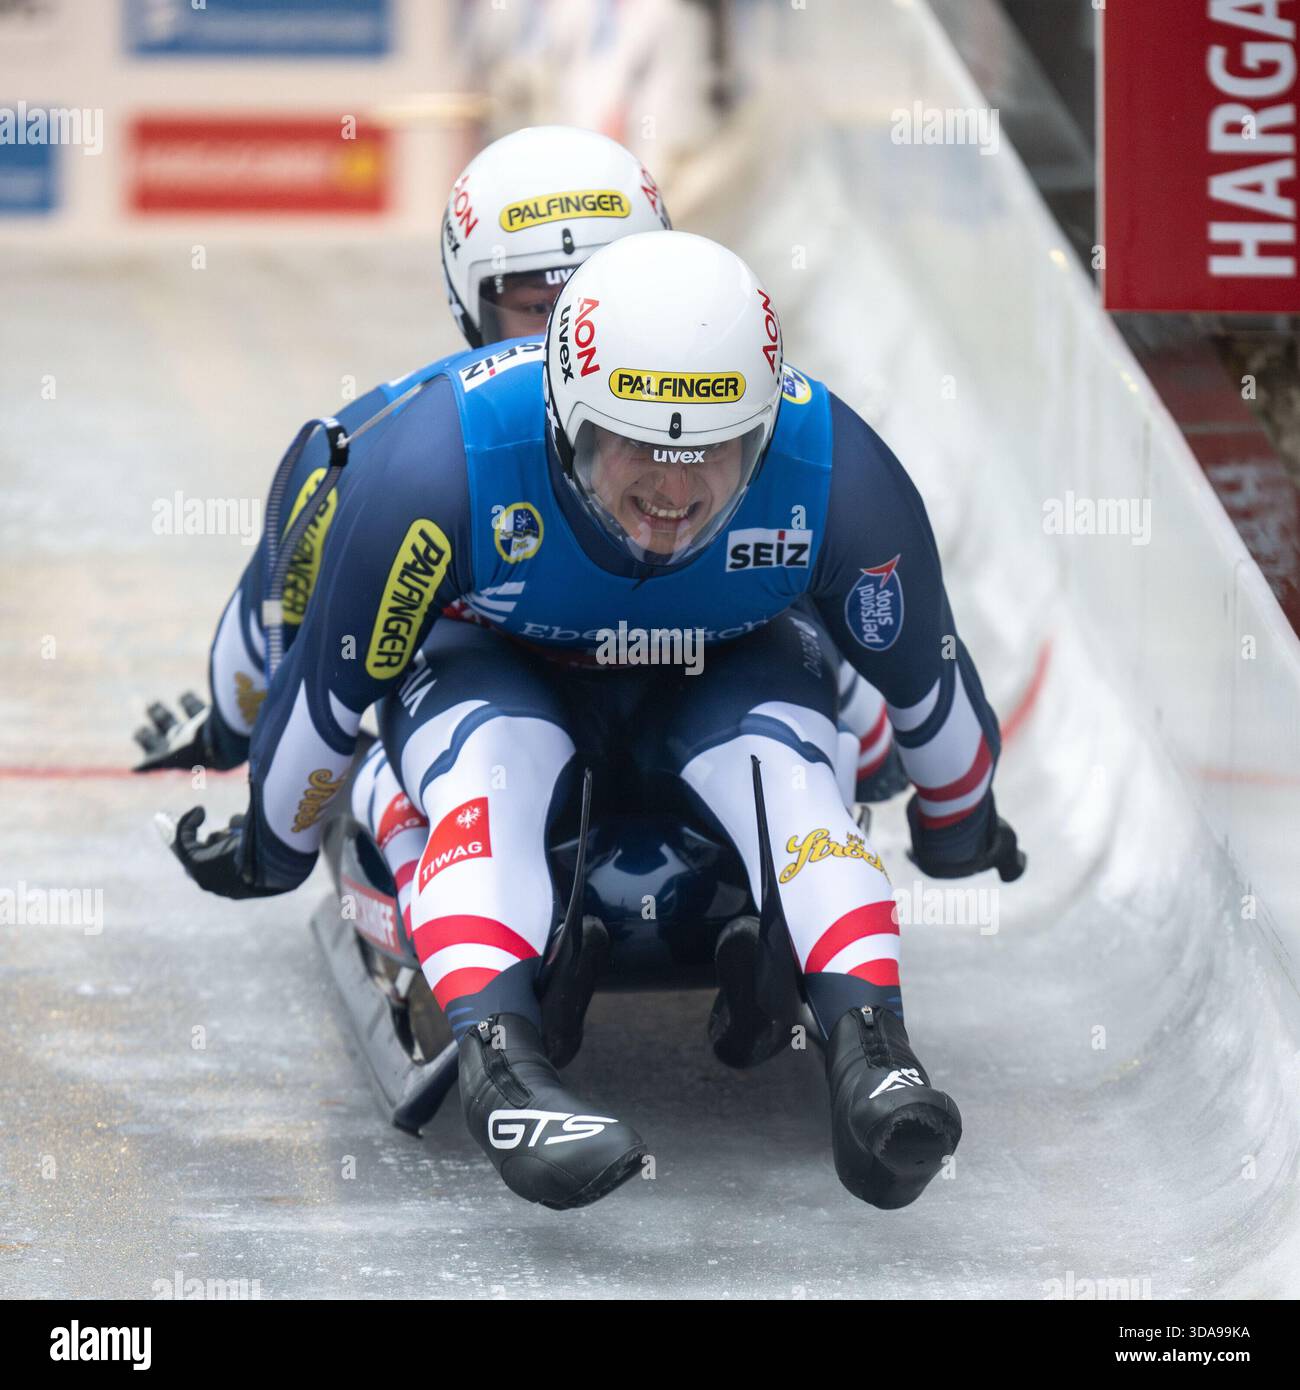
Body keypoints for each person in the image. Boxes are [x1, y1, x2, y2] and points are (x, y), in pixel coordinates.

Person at [156, 231, 1023, 1212]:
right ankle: (505, 1067)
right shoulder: (437, 470)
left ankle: (876, 1051)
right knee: (487, 765)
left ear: (766, 431)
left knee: (795, 772)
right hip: (498, 675)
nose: (674, 491)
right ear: (565, 421)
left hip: (725, 671)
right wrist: (274, 842)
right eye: (639, 448)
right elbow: (328, 689)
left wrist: (957, 821)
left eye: (713, 451)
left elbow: (927, 679)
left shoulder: (837, 475)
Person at [133, 126, 903, 802]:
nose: (570, 332)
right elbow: (291, 597)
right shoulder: (402, 448)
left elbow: (864, 573)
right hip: (503, 700)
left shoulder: (754, 416)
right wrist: (232, 725)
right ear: (472, 308)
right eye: (538, 307)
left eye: (604, 297)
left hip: (717, 680)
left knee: (840, 678)